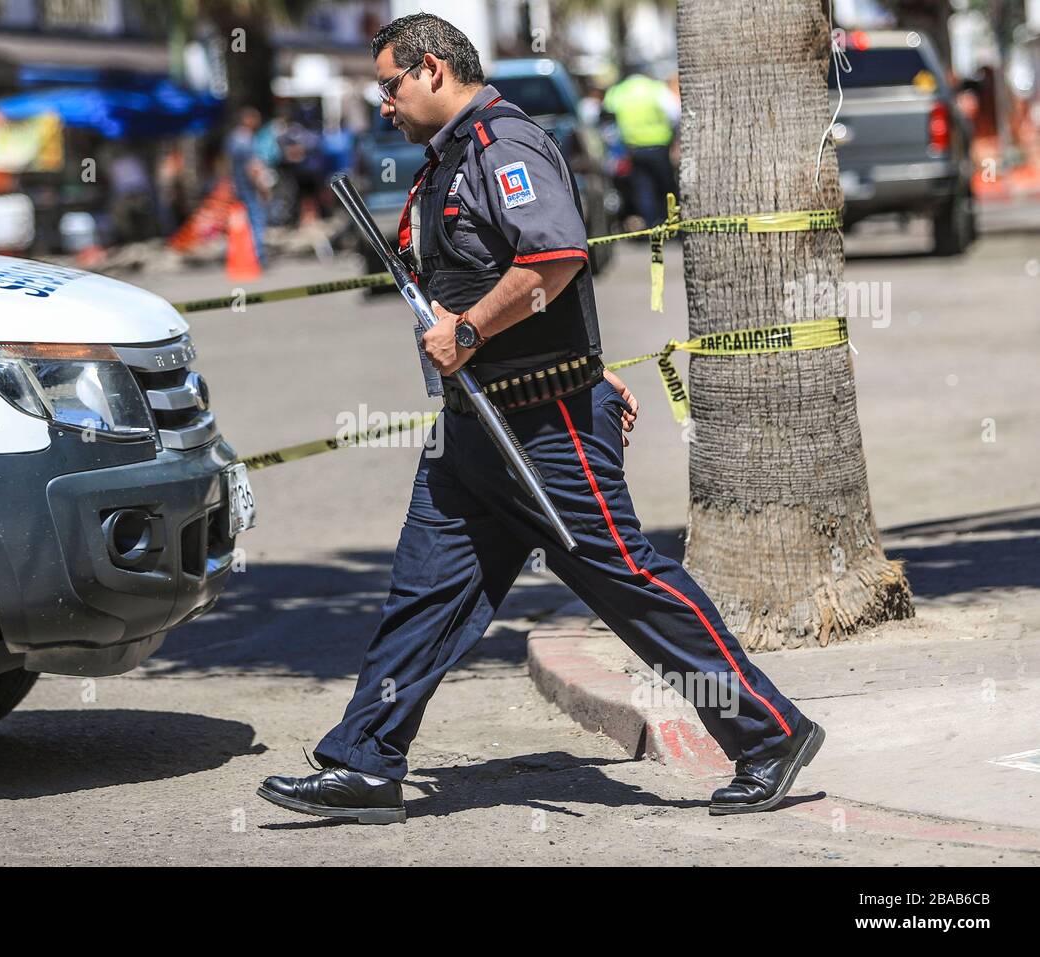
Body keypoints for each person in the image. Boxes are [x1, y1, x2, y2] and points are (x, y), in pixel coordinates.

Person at [256, 13, 825, 825]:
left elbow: (553, 260)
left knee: (630, 586)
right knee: (422, 595)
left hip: (545, 428)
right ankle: (366, 762)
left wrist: (475, 332)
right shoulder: (449, 156)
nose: (382, 104)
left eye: (389, 85)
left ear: (431, 70)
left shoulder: (504, 146)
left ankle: (771, 734)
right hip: (473, 430)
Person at [602, 64, 679, 227]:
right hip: (659, 148)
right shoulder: (656, 89)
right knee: (665, 187)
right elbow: (674, 114)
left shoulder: (617, 91)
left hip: (634, 150)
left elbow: (607, 121)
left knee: (643, 189)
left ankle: (651, 226)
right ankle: (668, 224)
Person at [225, 106, 272, 267]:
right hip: (249, 186)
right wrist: (262, 186)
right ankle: (258, 257)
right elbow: (251, 166)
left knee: (247, 222)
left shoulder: (233, 138)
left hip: (239, 185)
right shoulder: (245, 139)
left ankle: (249, 256)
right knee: (256, 220)